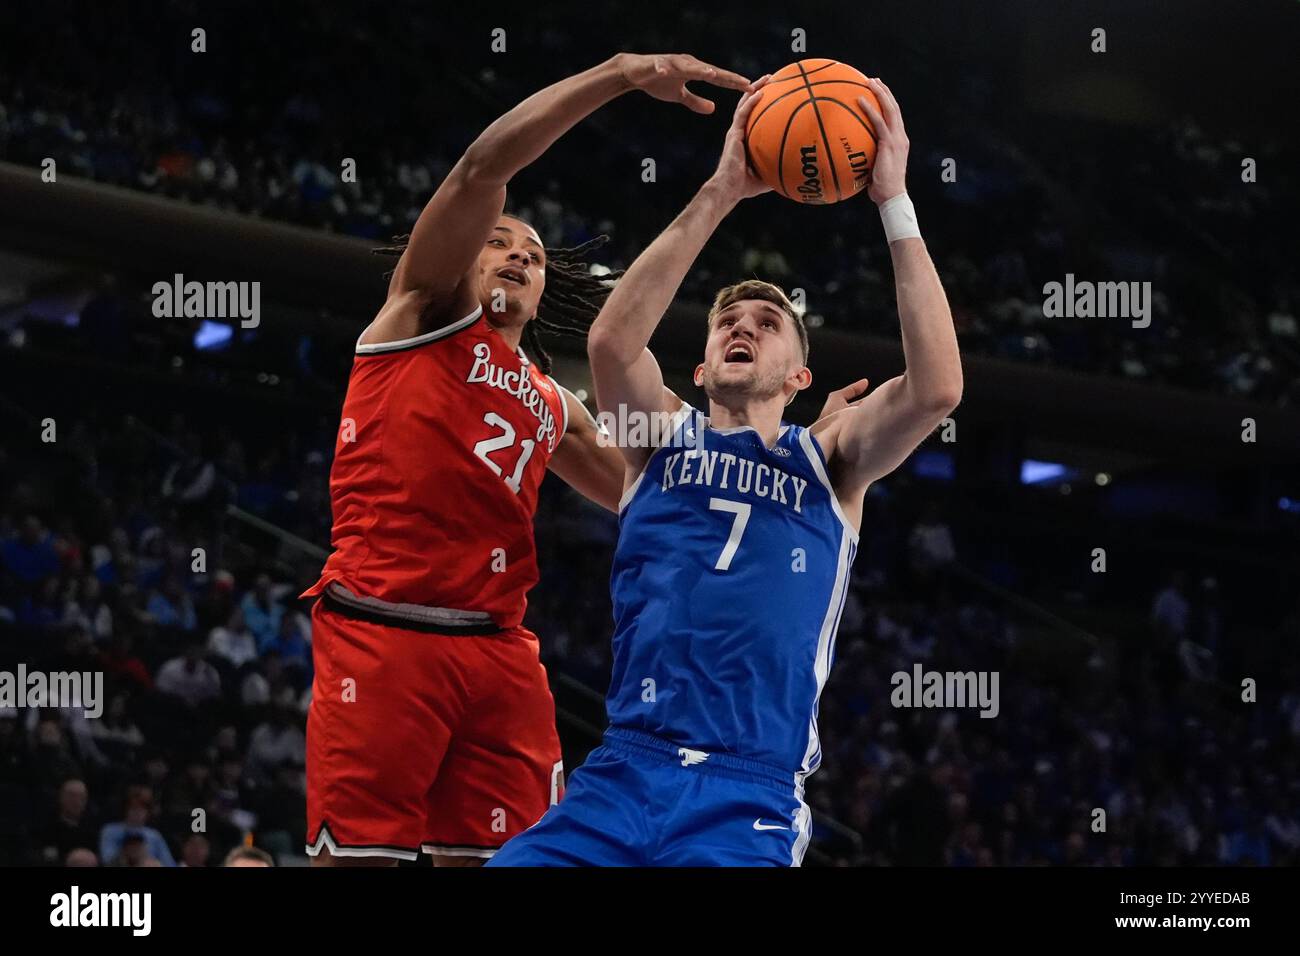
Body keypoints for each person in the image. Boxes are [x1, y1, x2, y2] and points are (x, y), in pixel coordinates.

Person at [491, 76, 962, 866]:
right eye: (726, 324)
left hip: (746, 793)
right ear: (702, 370)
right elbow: (611, 345)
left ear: (798, 377)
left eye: (768, 323)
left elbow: (939, 387)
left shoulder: (832, 465)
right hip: (621, 774)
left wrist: (894, 201)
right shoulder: (657, 436)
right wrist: (722, 189)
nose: (743, 326)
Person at [302, 52, 755, 866]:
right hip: (385, 627)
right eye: (500, 243)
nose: (516, 256)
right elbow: (485, 165)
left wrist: (768, 468)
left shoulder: (552, 402)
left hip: (499, 653)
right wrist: (620, 75)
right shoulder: (420, 313)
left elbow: (653, 498)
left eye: (535, 256)